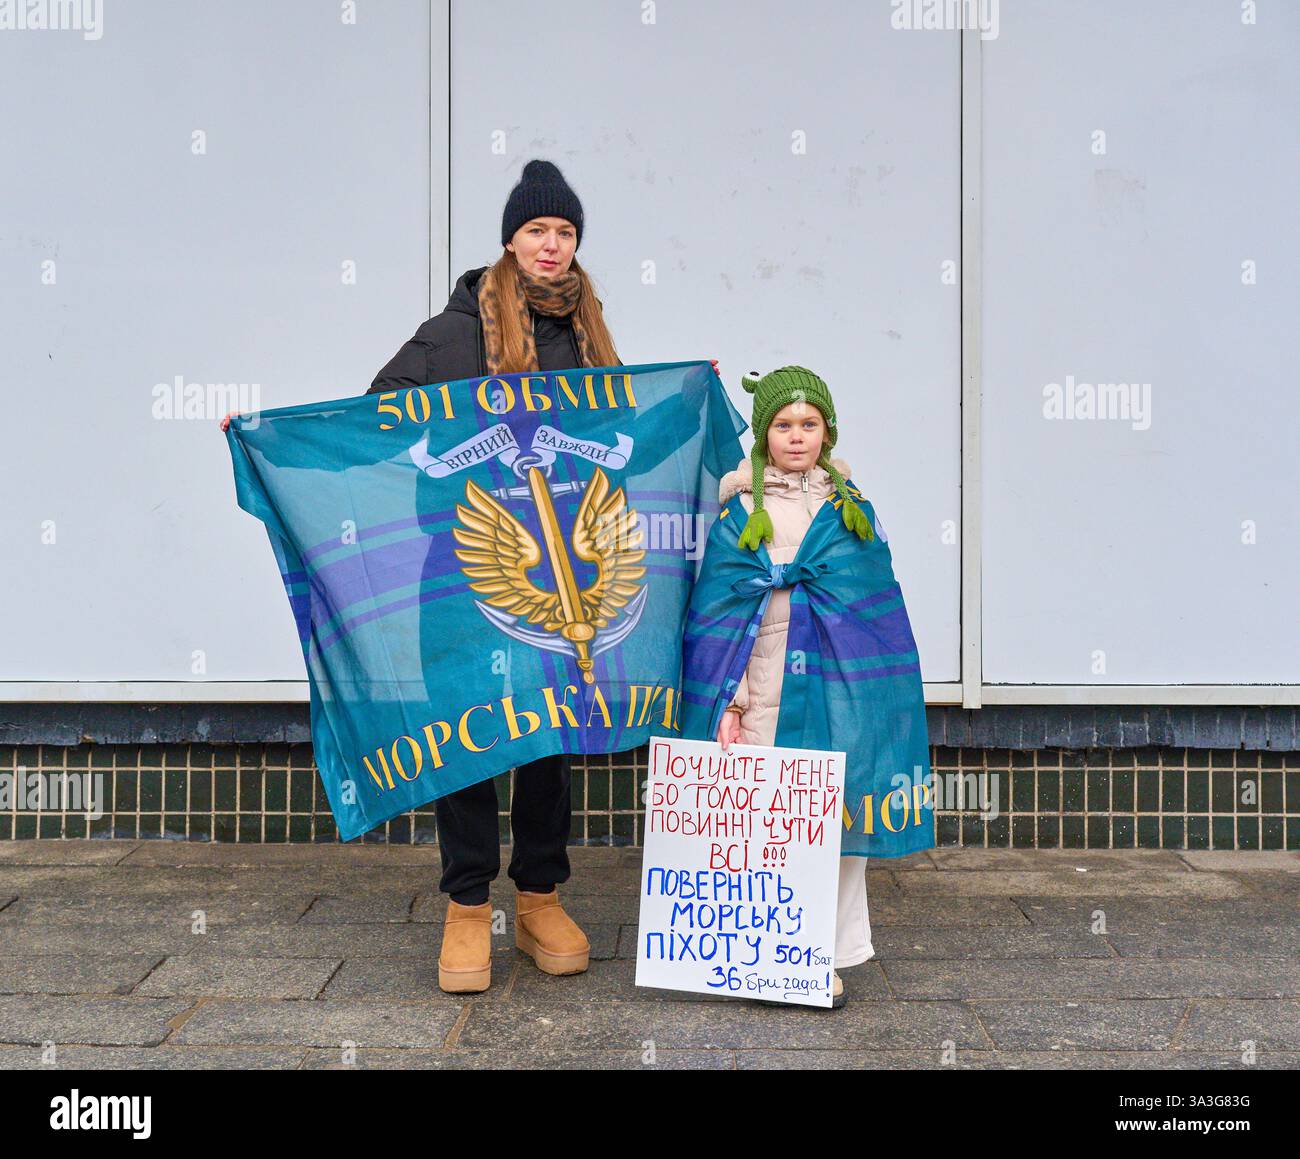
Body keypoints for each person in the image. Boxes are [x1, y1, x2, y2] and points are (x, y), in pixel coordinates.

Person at [366, 159, 622, 994]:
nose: (552, 247)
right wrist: (270, 431)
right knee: (472, 735)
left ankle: (541, 895)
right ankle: (468, 906)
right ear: (509, 240)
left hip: (558, 573)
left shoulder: (591, 336)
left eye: (565, 233)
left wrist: (693, 396)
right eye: (537, 231)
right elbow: (370, 420)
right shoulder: (450, 335)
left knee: (548, 740)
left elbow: (625, 436)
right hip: (464, 566)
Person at [706, 366, 884, 1010]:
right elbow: (720, 617)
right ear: (764, 435)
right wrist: (729, 701)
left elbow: (873, 606)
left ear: (827, 432)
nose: (797, 436)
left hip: (835, 694)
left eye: (810, 424)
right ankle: (775, 952)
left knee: (832, 829)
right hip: (766, 693)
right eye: (783, 425)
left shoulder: (850, 508)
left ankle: (825, 954)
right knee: (769, 827)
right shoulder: (741, 512)